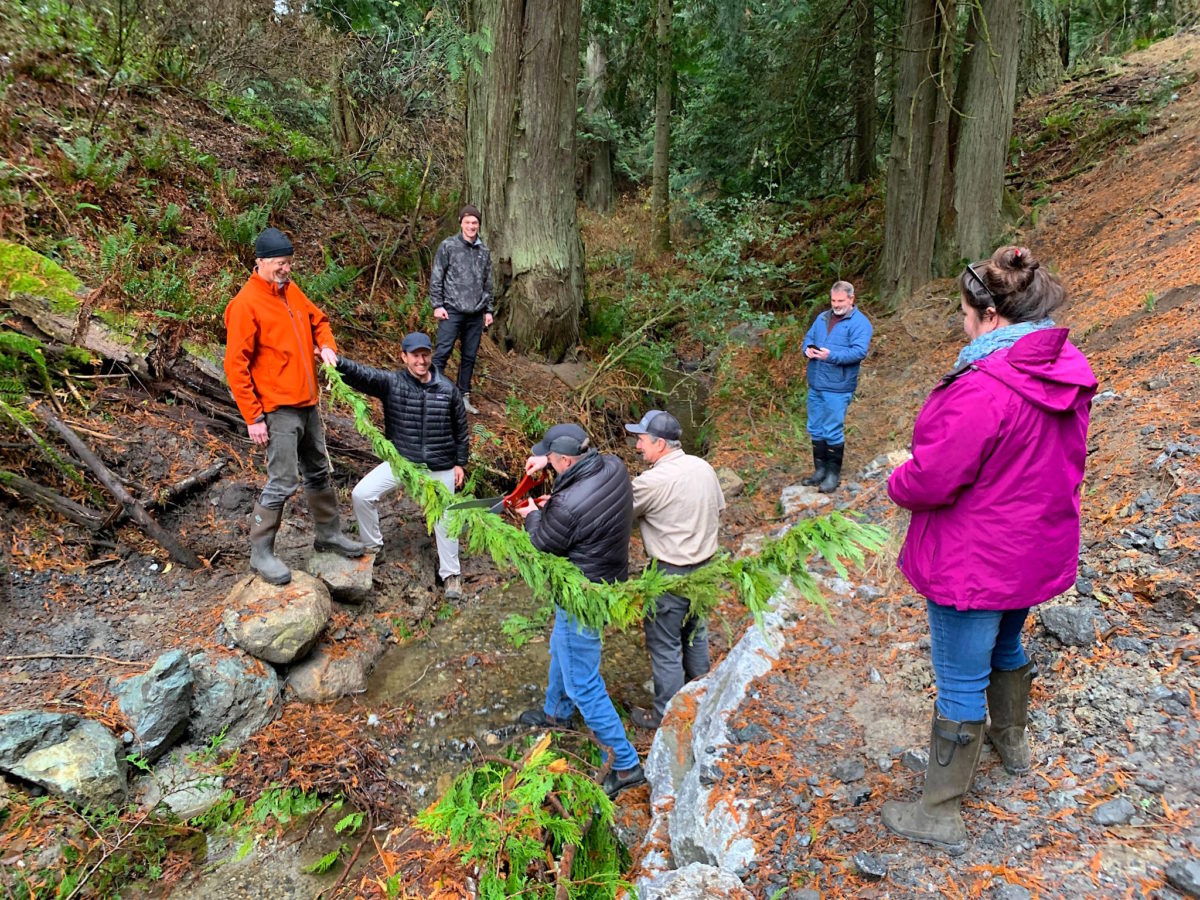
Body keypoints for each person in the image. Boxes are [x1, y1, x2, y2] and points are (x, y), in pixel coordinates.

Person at [881, 246, 1097, 855]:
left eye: (965, 315)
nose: (963, 325)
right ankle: (1013, 743)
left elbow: (932, 479)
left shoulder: (984, 388)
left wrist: (900, 477)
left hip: (973, 560)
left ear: (991, 317)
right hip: (1032, 547)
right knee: (1008, 642)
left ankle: (941, 811)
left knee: (958, 677)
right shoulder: (1063, 370)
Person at [224, 226, 365, 585]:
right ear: (259, 262)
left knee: (318, 471)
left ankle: (328, 534)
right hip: (277, 409)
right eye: (279, 263)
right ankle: (261, 553)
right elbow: (235, 365)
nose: (285, 269)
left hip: (308, 401)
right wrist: (253, 417)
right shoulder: (246, 304)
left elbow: (318, 320)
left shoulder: (291, 291)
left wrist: (327, 344)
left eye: (288, 262)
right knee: (283, 481)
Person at [514, 423, 644, 798]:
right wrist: (544, 460)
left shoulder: (568, 504)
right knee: (562, 646)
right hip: (607, 578)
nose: (549, 467)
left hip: (581, 594)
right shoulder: (614, 466)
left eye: (553, 461)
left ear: (567, 460)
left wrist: (532, 514)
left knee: (583, 680)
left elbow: (541, 543)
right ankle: (556, 713)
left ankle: (626, 765)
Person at [332, 333, 469, 599]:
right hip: (402, 462)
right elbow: (363, 375)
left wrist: (460, 463)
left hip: (440, 465)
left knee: (445, 518)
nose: (421, 360)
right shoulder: (392, 383)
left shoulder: (447, 389)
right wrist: (335, 362)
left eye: (425, 354)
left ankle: (451, 575)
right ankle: (374, 548)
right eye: (415, 355)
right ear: (404, 357)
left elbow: (461, 430)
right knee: (361, 494)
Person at [624, 410, 725, 730]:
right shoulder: (703, 467)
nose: (637, 446)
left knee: (665, 647)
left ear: (660, 444)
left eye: (641, 439)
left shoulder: (652, 481)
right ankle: (701, 702)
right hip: (705, 571)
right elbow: (719, 508)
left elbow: (618, 514)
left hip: (669, 575)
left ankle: (667, 718)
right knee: (696, 636)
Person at [800, 281, 873, 493]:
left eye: (841, 301)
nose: (836, 305)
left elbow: (859, 352)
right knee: (815, 427)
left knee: (832, 430)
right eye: (833, 300)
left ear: (851, 299)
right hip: (816, 383)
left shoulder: (860, 323)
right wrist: (808, 350)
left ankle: (833, 475)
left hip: (838, 386)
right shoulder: (822, 318)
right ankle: (819, 472)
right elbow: (809, 338)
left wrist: (830, 356)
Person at [430, 205, 493, 415]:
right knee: (443, 352)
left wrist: (488, 310)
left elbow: (488, 283)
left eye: (475, 222)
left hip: (476, 312)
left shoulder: (484, 251)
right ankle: (432, 393)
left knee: (469, 356)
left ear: (479, 225)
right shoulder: (448, 246)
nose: (471, 226)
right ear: (461, 223)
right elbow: (437, 276)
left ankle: (463, 395)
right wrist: (437, 305)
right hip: (452, 309)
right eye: (467, 222)